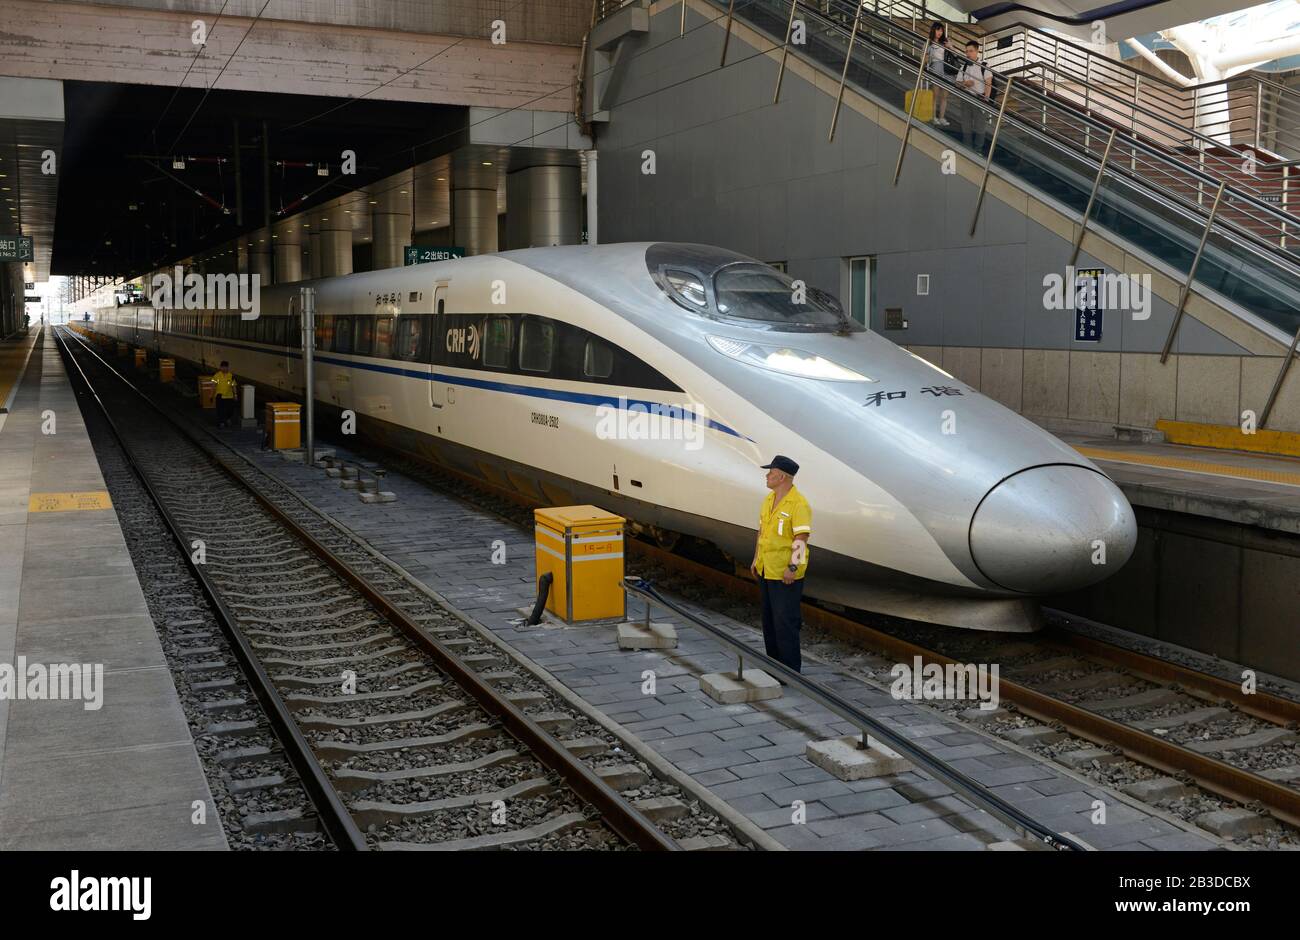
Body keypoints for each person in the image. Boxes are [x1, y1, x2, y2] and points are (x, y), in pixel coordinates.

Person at [749, 455, 812, 672]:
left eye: (770, 472)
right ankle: (774, 666)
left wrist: (792, 567)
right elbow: (762, 532)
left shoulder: (798, 504)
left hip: (786, 573)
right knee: (769, 621)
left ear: (782, 476)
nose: (767, 476)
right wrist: (756, 559)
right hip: (767, 568)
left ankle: (791, 671)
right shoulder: (769, 499)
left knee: (785, 622)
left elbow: (801, 538)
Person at [957, 40, 994, 155]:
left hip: (979, 99)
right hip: (966, 98)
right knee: (966, 125)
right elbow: (957, 83)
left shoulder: (984, 66)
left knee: (980, 126)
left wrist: (986, 100)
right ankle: (967, 148)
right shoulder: (963, 67)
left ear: (977, 51)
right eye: (966, 51)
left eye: (971, 51)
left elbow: (989, 83)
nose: (968, 54)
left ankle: (978, 149)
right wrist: (965, 84)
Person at [924, 22, 952, 128]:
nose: (940, 32)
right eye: (938, 30)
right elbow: (924, 58)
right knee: (935, 95)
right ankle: (934, 117)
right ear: (933, 30)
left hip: (947, 69)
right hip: (935, 68)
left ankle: (941, 117)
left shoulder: (946, 41)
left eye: (941, 30)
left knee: (944, 96)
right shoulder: (929, 43)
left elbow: (954, 54)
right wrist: (926, 58)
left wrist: (950, 47)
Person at [213, 360, 238, 429]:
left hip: (229, 396)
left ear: (228, 367)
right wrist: (211, 395)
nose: (224, 369)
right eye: (222, 367)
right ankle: (221, 422)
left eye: (225, 367)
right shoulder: (217, 375)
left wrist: (235, 394)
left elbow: (234, 386)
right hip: (219, 395)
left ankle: (227, 419)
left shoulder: (231, 376)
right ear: (220, 367)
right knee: (220, 410)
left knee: (230, 410)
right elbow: (214, 385)